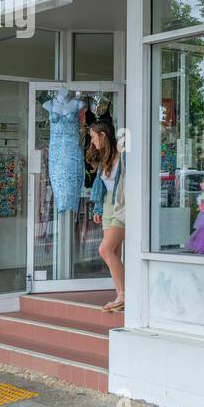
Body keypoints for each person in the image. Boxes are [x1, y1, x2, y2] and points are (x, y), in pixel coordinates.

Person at [87, 117, 125, 312]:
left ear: (103, 135)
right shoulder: (104, 158)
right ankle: (122, 294)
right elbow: (101, 186)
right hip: (107, 206)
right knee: (114, 253)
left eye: (94, 137)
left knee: (105, 250)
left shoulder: (123, 155)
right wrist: (98, 209)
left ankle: (123, 296)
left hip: (121, 206)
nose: (92, 142)